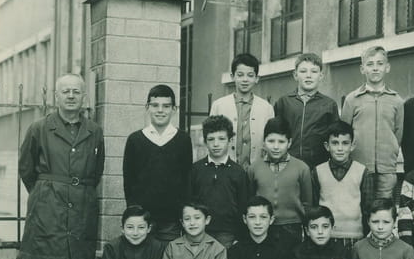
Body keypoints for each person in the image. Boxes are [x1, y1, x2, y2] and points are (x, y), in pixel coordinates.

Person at [17, 73, 104, 259]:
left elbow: (96, 171)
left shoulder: (94, 131)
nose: (70, 96)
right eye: (65, 91)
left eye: (76, 92)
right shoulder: (39, 128)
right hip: (48, 211)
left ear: (84, 97)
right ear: (55, 96)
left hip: (81, 211)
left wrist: (74, 193)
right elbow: (27, 170)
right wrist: (47, 193)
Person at [122, 84, 193, 243]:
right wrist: (135, 215)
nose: (160, 110)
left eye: (166, 106)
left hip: (172, 221)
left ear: (174, 109)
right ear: (147, 107)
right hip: (142, 221)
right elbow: (129, 181)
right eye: (155, 105)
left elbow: (187, 179)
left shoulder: (183, 139)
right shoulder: (135, 140)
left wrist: (182, 215)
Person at [341, 44, 404, 201]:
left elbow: (398, 133)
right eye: (370, 64)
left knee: (383, 213)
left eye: (380, 64)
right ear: (363, 69)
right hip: (359, 168)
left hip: (386, 169)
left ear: (387, 67)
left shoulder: (396, 100)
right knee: (360, 210)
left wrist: (390, 153)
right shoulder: (352, 99)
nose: (375, 68)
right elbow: (344, 133)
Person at [311, 119, 376, 253]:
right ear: (327, 146)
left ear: (352, 146)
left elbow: (368, 208)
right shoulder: (318, 171)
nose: (340, 148)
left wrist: (367, 238)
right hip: (326, 238)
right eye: (335, 143)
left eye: (345, 143)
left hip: (355, 238)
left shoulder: (362, 171)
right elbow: (314, 206)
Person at [248, 117, 313, 246]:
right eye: (271, 141)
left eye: (281, 142)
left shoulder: (302, 168)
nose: (276, 147)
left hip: (293, 227)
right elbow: (250, 200)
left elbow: (308, 203)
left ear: (289, 143)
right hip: (263, 227)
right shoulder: (254, 168)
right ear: (264, 142)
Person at [190, 114, 249, 248]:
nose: (216, 144)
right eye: (211, 139)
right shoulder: (196, 170)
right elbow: (190, 202)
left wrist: (240, 237)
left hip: (228, 234)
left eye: (221, 139)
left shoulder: (238, 172)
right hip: (200, 233)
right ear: (205, 141)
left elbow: (243, 206)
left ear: (230, 140)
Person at [273, 52, 339, 169]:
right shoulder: (284, 102)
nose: (308, 76)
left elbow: (334, 139)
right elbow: (275, 134)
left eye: (314, 71)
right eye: (303, 71)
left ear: (321, 76)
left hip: (318, 167)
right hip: (287, 166)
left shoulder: (329, 104)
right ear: (295, 75)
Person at [209, 52, 274, 169]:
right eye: (240, 75)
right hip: (226, 170)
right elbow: (211, 139)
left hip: (256, 170)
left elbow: (270, 141)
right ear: (232, 76)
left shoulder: (266, 108)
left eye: (250, 75)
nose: (245, 80)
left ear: (257, 78)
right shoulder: (219, 105)